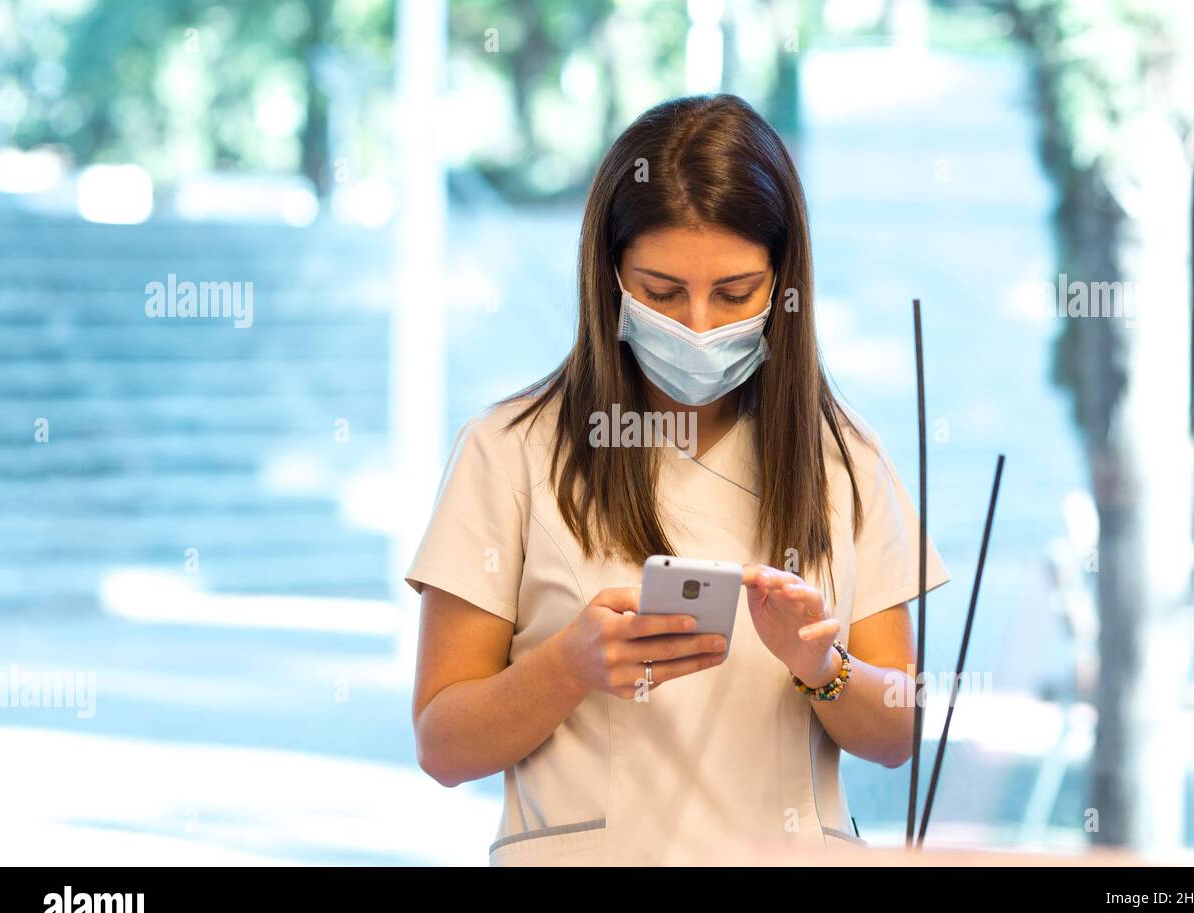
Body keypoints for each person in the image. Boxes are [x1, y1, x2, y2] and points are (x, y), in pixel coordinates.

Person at [405, 92, 951, 866]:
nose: (698, 326)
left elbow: (896, 735)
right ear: (611, 279)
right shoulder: (507, 452)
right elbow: (443, 745)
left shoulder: (847, 460)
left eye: (735, 294)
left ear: (784, 284)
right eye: (662, 292)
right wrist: (568, 667)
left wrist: (819, 667)